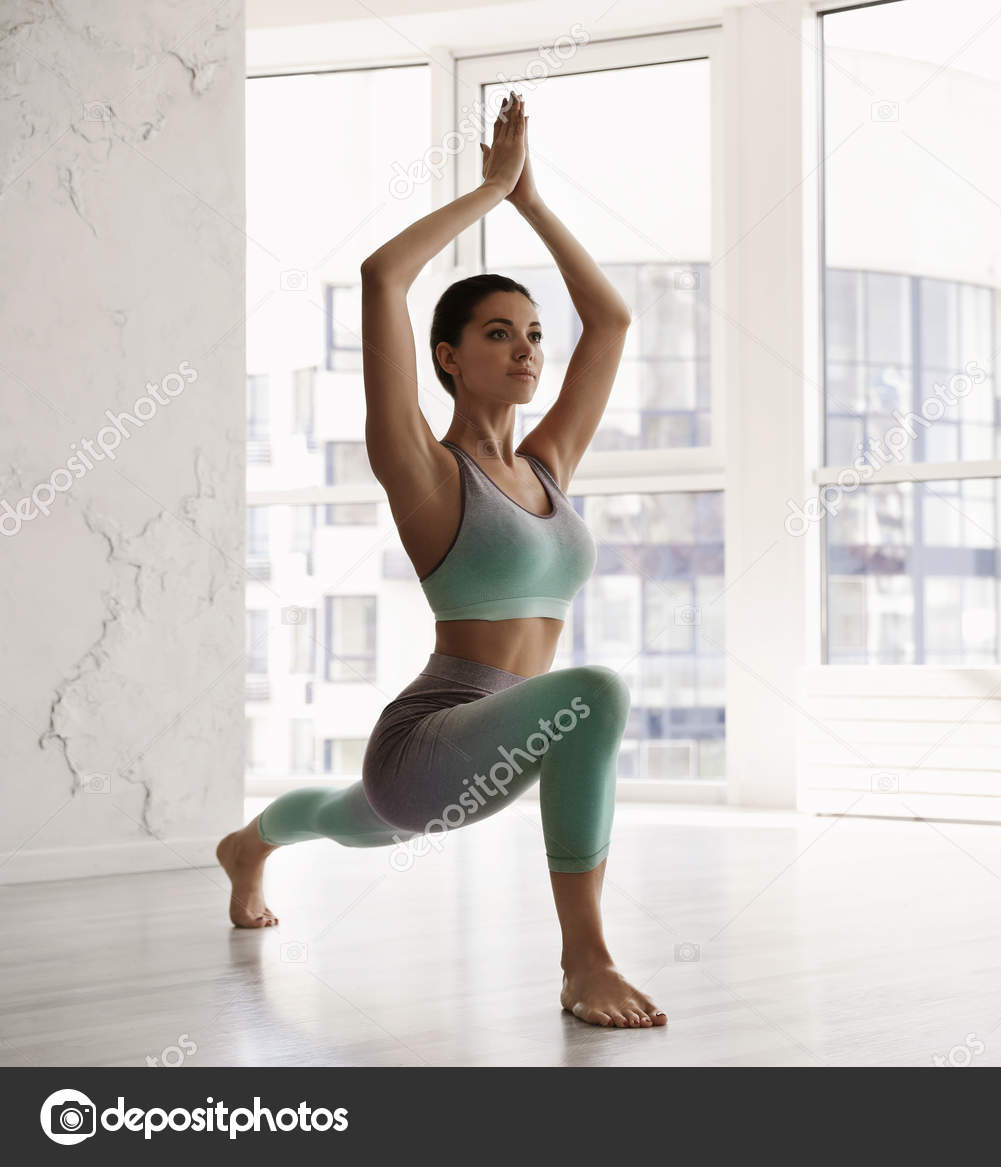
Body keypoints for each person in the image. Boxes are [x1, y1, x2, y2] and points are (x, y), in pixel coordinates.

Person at [215, 91, 665, 1029]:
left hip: (500, 747)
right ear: (448, 358)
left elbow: (612, 322)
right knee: (593, 693)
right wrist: (490, 190)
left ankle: (247, 845)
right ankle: (585, 960)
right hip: (431, 739)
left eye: (533, 334)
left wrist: (532, 201)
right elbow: (384, 276)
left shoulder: (547, 465)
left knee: (348, 818)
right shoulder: (423, 468)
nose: (526, 350)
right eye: (499, 333)